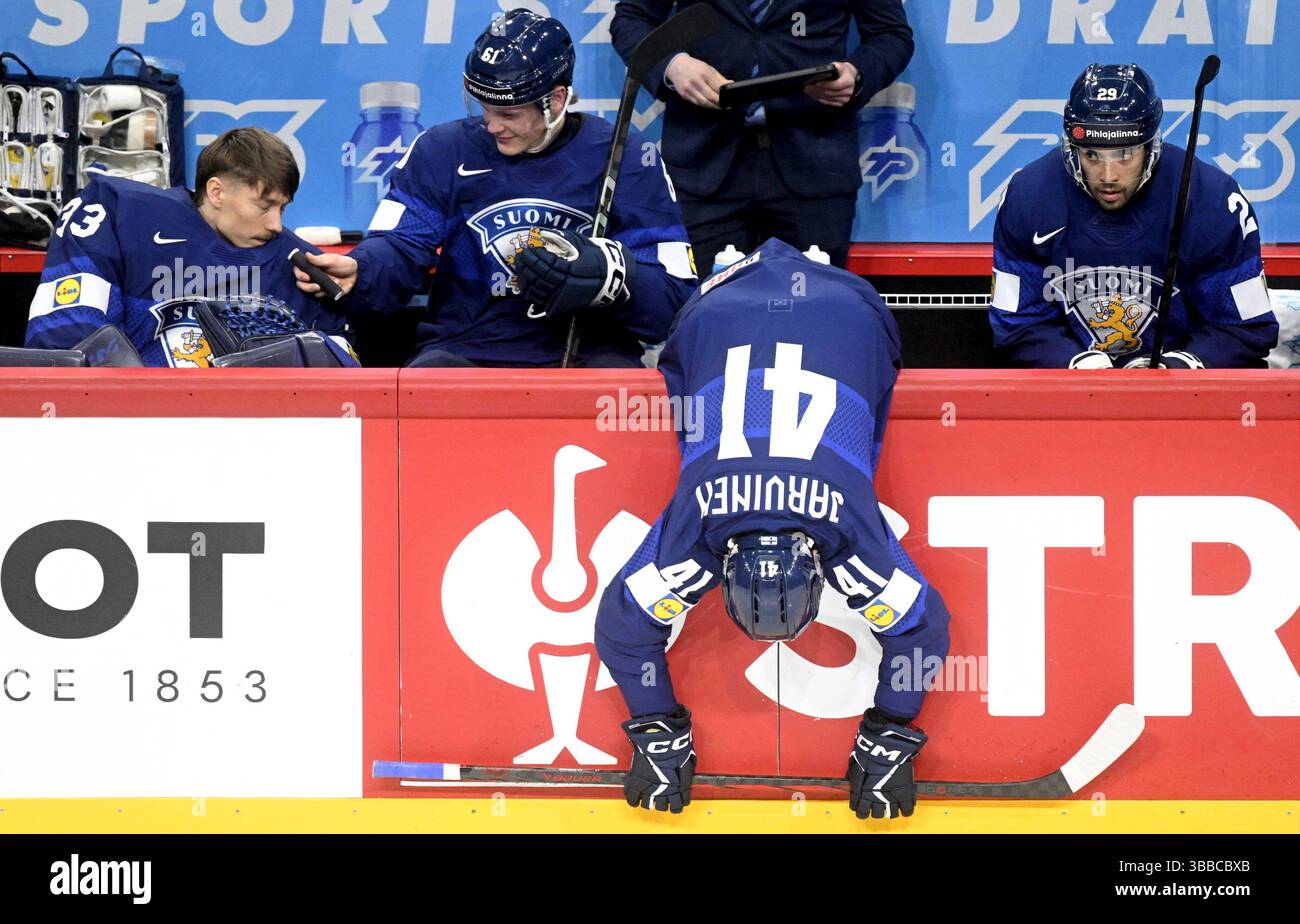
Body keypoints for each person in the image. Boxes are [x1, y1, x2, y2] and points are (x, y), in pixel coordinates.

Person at [593, 238, 951, 820]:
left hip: (763, 307)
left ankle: (744, 266)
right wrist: (888, 735)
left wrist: (657, 732)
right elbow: (922, 631)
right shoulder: (749, 523)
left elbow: (621, 624)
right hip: (807, 306)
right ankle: (801, 268)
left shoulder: (719, 522)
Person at [295, 9, 696, 368]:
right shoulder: (442, 150)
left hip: (587, 354)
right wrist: (362, 270)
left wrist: (614, 276)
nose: (491, 126)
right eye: (481, 107)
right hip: (466, 348)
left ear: (556, 101)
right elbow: (400, 247)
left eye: (507, 113)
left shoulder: (627, 158)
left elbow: (673, 301)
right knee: (426, 386)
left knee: (622, 393)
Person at [990, 63, 1277, 369]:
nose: (1109, 175)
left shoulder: (1213, 199)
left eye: (1125, 154)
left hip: (1187, 400)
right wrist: (1071, 364)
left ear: (1151, 146)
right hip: (1069, 398)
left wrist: (1182, 366)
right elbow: (1017, 322)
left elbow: (1244, 327)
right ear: (1073, 149)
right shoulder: (1028, 196)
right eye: (1092, 155)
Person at [611, 0, 913, 272]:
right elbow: (631, 20)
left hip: (815, 164)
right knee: (701, 318)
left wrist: (857, 74)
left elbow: (891, 35)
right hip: (703, 164)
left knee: (813, 317)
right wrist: (673, 65)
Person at [26, 127, 353, 368]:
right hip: (131, 429)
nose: (276, 225)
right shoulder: (117, 212)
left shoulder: (298, 262)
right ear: (217, 192)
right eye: (264, 206)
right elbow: (68, 340)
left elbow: (341, 370)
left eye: (283, 209)